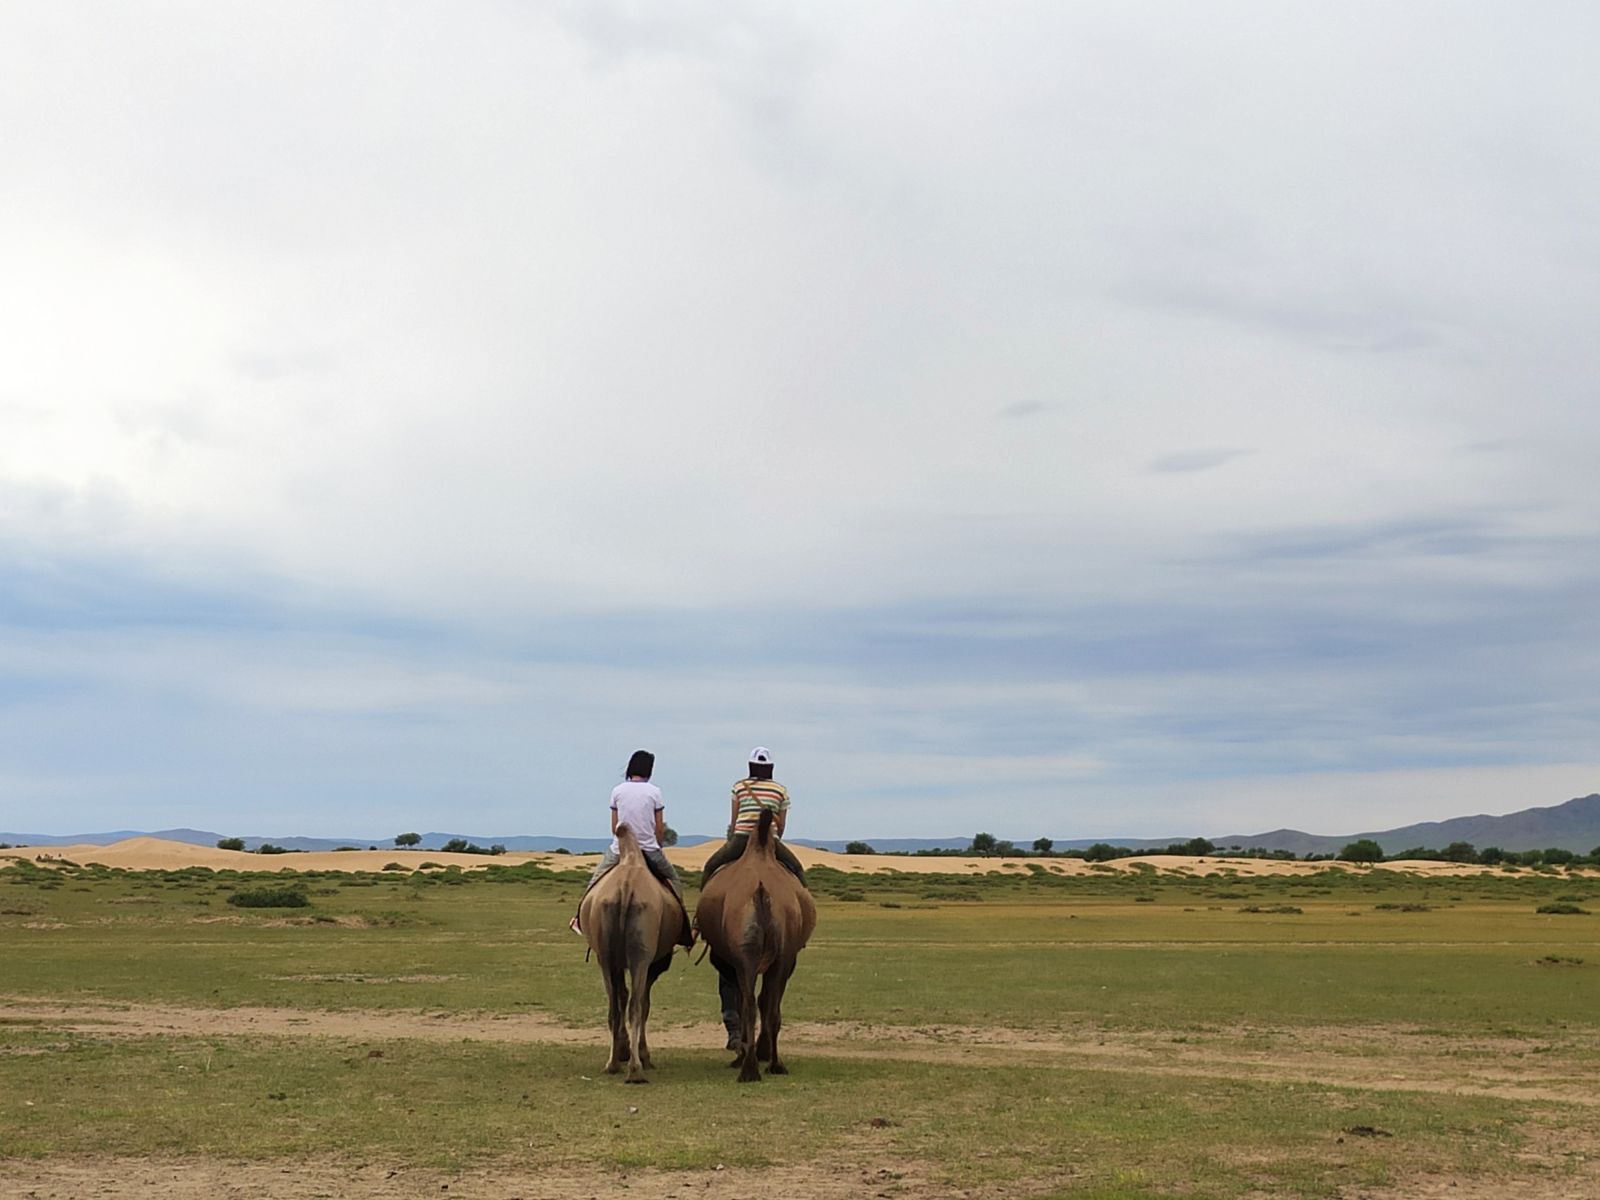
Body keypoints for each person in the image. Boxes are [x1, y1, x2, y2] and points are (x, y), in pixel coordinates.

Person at [700, 746, 807, 1047]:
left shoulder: (739, 786)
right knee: (798, 872)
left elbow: (734, 823)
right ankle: (801, 927)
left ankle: (697, 921)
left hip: (739, 842)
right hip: (768, 841)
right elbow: (781, 827)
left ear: (750, 766)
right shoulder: (781, 790)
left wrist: (740, 832)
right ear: (771, 768)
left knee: (710, 868)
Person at [570, 749, 694, 948]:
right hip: (648, 848)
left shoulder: (617, 791)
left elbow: (615, 827)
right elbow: (659, 828)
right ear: (649, 770)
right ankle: (682, 929)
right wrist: (658, 846)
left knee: (595, 880)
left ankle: (579, 919)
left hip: (620, 849)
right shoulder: (655, 792)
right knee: (674, 881)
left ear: (631, 767)